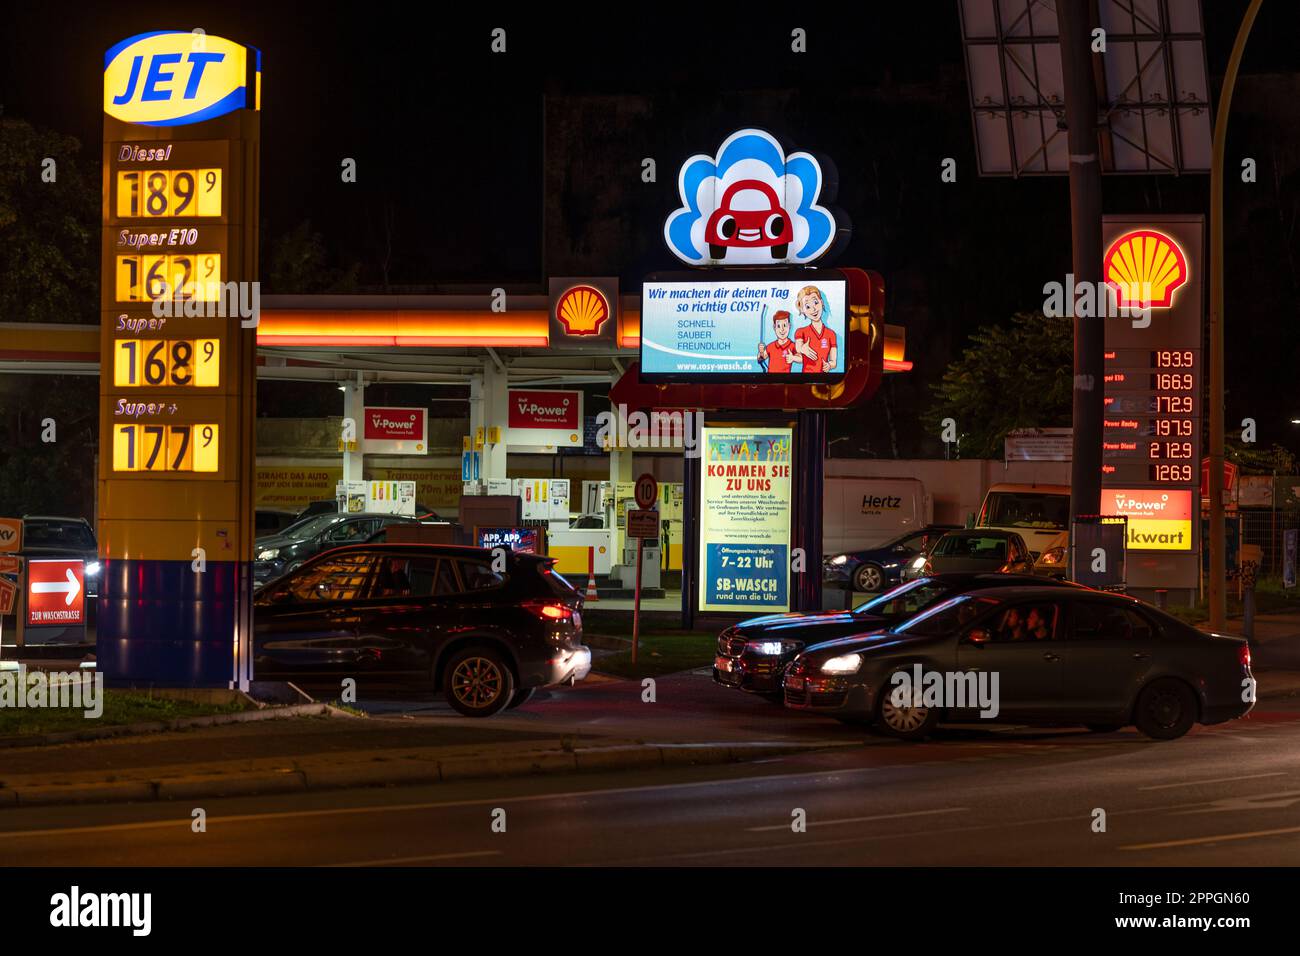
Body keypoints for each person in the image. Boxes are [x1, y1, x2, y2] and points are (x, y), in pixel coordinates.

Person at [792, 285, 838, 373]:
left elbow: (833, 362)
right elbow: (798, 347)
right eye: (808, 307)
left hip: (824, 380)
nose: (813, 309)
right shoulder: (801, 332)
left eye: (816, 302)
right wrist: (802, 349)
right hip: (805, 378)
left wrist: (829, 365)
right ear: (802, 310)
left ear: (821, 302)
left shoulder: (831, 334)